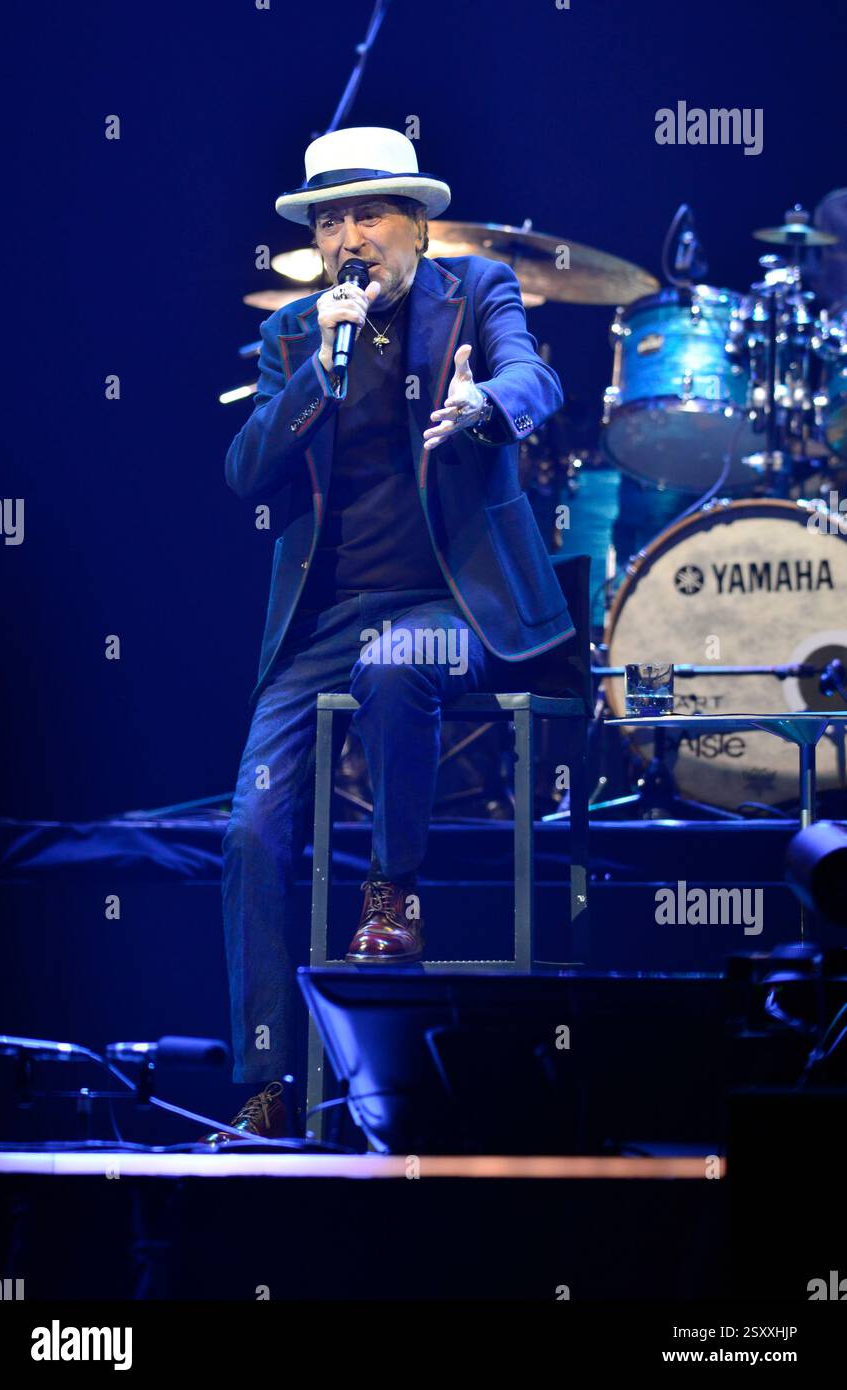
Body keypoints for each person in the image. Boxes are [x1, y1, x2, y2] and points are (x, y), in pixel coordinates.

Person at [215, 126, 573, 1140]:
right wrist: (311, 381)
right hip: (323, 622)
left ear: (415, 224)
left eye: (367, 213)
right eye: (330, 219)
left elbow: (534, 382)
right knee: (246, 831)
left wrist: (481, 405)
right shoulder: (295, 334)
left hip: (460, 607)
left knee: (394, 663)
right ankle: (266, 1082)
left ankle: (392, 895)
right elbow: (245, 472)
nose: (348, 236)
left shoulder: (476, 290)